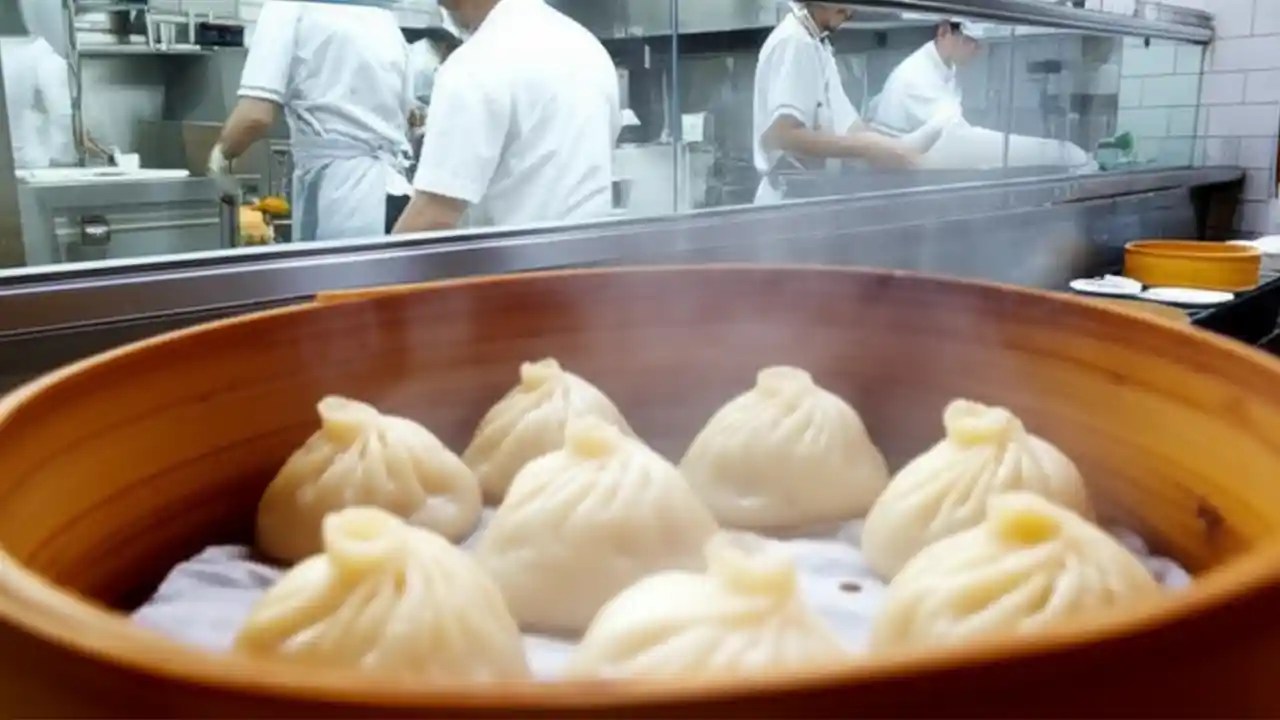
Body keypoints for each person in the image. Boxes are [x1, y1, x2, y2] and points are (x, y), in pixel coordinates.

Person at [392, 0, 620, 233]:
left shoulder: (476, 64)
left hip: (517, 254)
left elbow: (434, 217)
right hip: (594, 250)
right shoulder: (587, 48)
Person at [208, 0, 416, 242]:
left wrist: (219, 158)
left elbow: (255, 116)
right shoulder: (383, 16)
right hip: (395, 195)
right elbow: (410, 116)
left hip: (346, 204)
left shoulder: (287, 9)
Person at [867, 19, 982, 138]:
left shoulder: (945, 67)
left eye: (979, 42)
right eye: (970, 40)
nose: (977, 48)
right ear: (943, 32)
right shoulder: (917, 78)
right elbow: (957, 134)